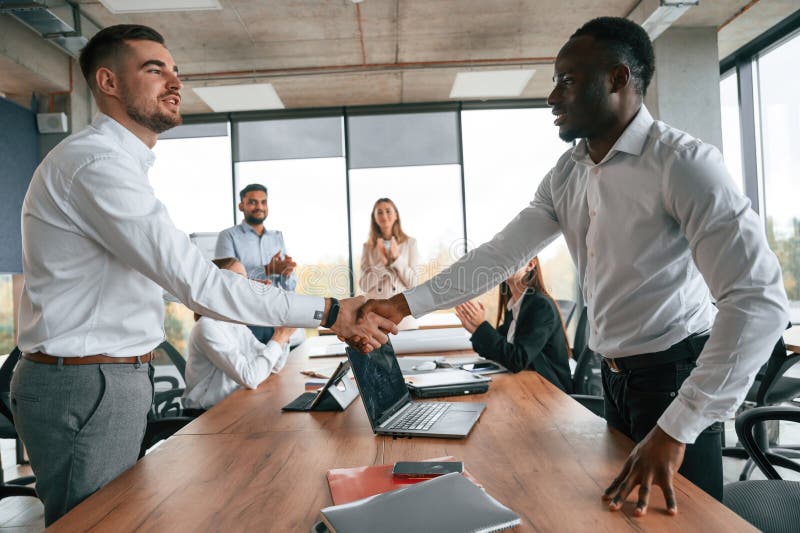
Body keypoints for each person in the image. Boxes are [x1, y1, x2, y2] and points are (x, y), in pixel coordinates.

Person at [359, 16, 788, 517]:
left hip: (674, 381)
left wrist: (679, 425)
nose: (551, 97)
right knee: (621, 522)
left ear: (619, 78)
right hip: (616, 383)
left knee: (687, 526)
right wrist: (401, 304)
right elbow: (499, 256)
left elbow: (758, 301)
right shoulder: (567, 173)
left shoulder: (684, 163)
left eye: (567, 80)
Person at [11, 24, 394, 525]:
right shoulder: (96, 164)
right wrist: (329, 311)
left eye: (175, 71)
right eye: (154, 70)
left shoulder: (119, 166)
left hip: (106, 376)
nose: (174, 82)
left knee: (115, 520)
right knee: (97, 524)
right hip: (87, 382)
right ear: (107, 81)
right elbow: (198, 284)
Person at [182, 258, 295, 413]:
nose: (246, 285)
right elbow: (250, 378)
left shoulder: (233, 322)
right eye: (239, 279)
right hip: (206, 415)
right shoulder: (207, 327)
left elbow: (274, 366)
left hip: (233, 403)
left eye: (245, 279)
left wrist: (283, 334)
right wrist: (279, 337)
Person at [454, 257, 572, 393]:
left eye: (513, 257)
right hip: (529, 385)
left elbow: (517, 360)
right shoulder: (515, 306)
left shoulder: (540, 306)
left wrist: (482, 327)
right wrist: (476, 329)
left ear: (530, 265)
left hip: (551, 392)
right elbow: (499, 352)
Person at [215, 184, 297, 344]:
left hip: (275, 316)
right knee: (252, 367)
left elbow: (289, 286)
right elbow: (226, 280)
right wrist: (268, 269)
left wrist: (286, 274)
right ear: (241, 205)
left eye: (263, 202)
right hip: (246, 318)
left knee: (282, 367)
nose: (259, 207)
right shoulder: (228, 236)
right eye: (252, 202)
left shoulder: (276, 237)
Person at [359, 198, 419, 330]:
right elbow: (364, 285)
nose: (384, 216)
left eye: (388, 211)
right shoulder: (368, 247)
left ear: (396, 215)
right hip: (375, 317)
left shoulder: (410, 243)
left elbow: (413, 283)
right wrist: (382, 264)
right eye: (379, 212)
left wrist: (397, 258)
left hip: (404, 317)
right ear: (374, 217)